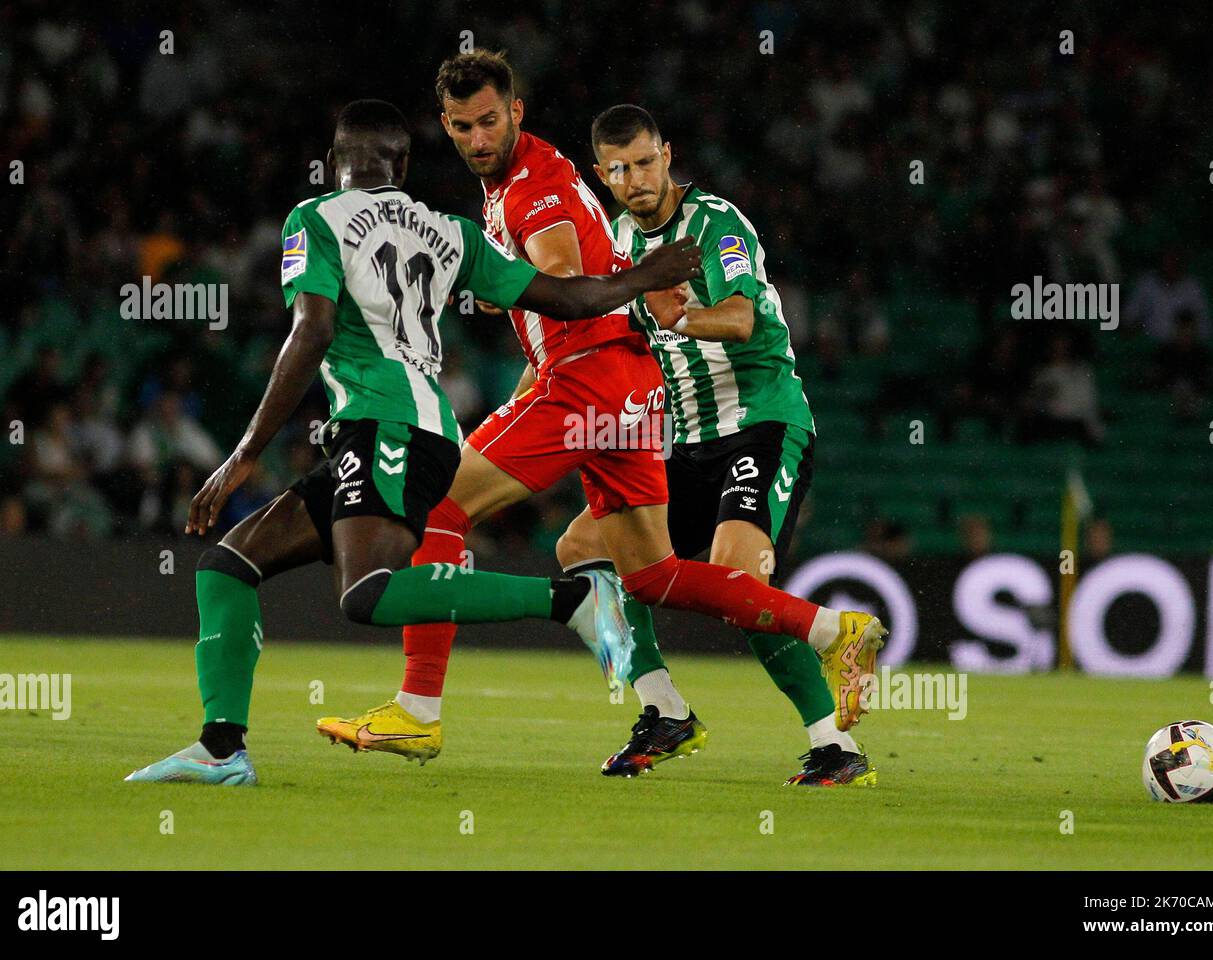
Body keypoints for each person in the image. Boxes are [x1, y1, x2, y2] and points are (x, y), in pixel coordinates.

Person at [330, 53, 885, 774]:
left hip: (746, 420)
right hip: (650, 412)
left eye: (489, 121)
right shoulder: (585, 219)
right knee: (623, 566)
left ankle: (418, 710)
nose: (477, 138)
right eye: (463, 126)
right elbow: (564, 296)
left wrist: (605, 302)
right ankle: (681, 702)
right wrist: (519, 318)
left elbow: (573, 282)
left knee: (437, 506)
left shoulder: (601, 204)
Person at [124, 98, 703, 787]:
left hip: (391, 429)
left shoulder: (313, 219)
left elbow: (309, 331)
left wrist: (245, 451)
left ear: (334, 161)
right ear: (402, 165)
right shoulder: (449, 230)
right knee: (227, 565)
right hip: (392, 433)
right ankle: (222, 749)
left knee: (365, 593)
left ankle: (570, 603)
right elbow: (569, 299)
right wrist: (646, 274)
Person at [552, 105, 879, 786]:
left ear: (666, 155)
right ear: (600, 174)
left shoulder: (715, 224)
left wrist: (682, 316)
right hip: (682, 442)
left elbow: (741, 317)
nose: (635, 178)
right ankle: (661, 707)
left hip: (762, 425)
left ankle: (836, 748)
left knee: (743, 585)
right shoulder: (610, 241)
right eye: (619, 169)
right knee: (583, 548)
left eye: (645, 162)